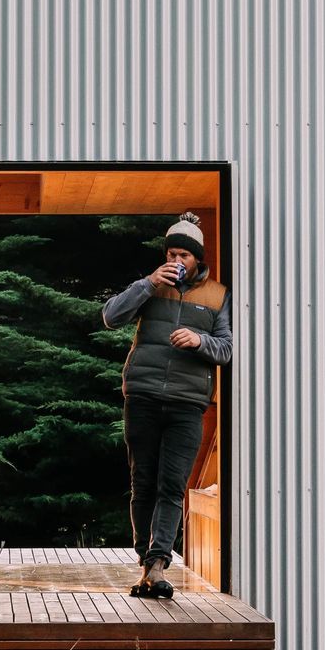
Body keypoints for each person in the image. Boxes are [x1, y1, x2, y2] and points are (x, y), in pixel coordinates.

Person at [100, 211, 233, 600]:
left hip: (187, 403)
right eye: (171, 254)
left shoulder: (217, 296)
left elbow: (226, 348)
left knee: (171, 485)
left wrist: (199, 340)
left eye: (184, 256)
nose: (176, 261)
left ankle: (157, 562)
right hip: (141, 396)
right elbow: (110, 316)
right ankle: (148, 564)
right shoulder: (151, 286)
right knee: (142, 483)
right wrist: (146, 283)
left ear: (197, 260)